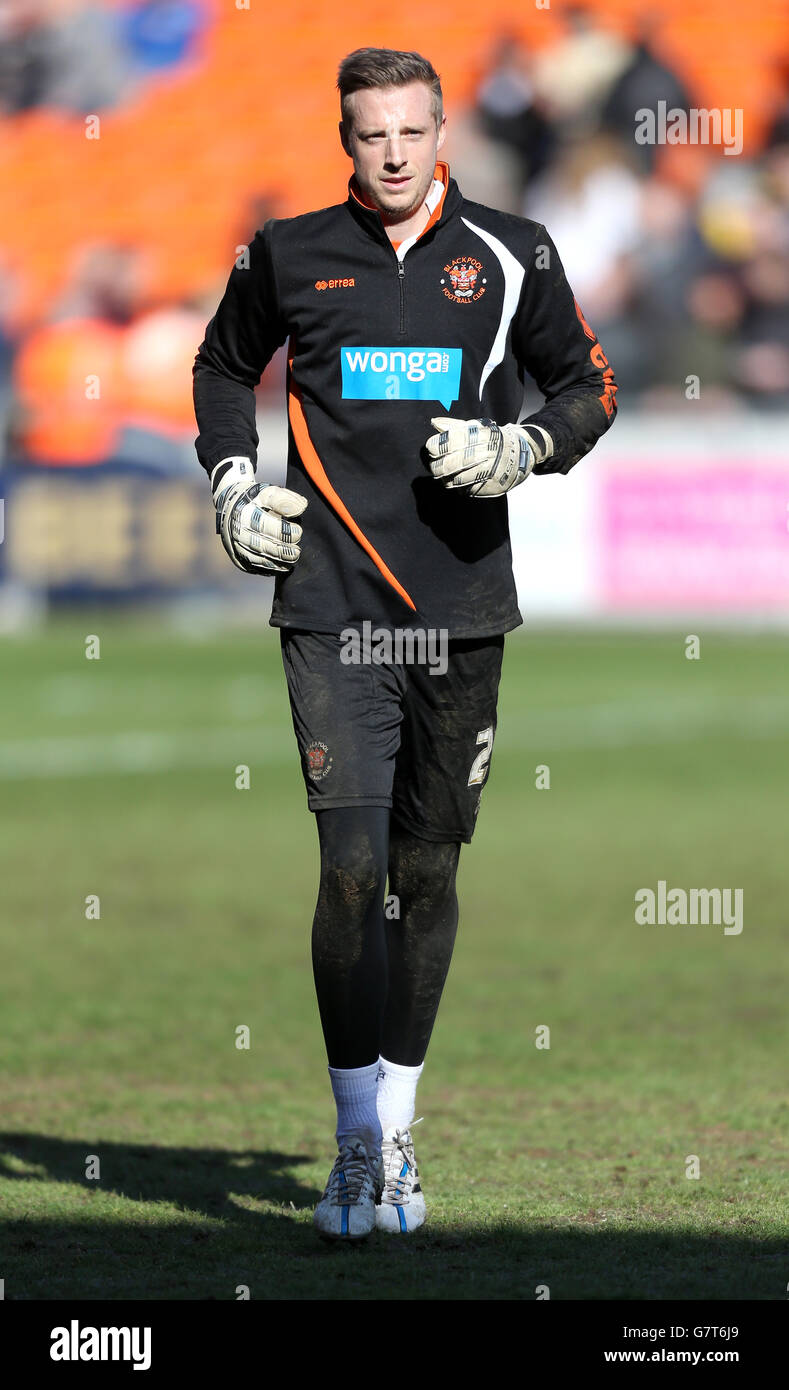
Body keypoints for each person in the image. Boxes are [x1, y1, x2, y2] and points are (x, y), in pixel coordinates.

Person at [192, 46, 617, 1242]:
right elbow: (223, 365)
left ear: (443, 134)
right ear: (346, 138)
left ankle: (404, 1117)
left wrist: (526, 448)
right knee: (349, 869)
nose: (391, 152)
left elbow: (590, 385)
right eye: (371, 133)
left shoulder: (512, 253)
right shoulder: (285, 254)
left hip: (461, 611)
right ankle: (356, 1144)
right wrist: (233, 481)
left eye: (411, 132)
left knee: (427, 874)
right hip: (329, 607)